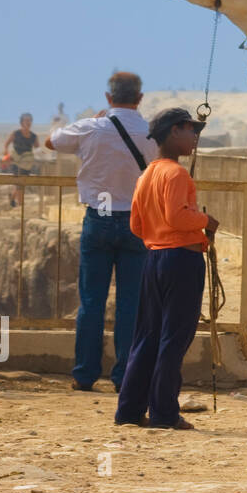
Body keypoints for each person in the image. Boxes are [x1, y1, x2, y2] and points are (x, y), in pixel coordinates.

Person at [47, 71, 157, 392]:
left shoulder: (92, 127)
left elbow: (51, 141)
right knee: (131, 303)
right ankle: (125, 375)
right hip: (136, 221)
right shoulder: (151, 132)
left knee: (91, 300)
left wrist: (94, 121)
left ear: (109, 98)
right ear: (140, 98)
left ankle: (84, 373)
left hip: (99, 218)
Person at [115, 108, 217, 429]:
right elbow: (177, 217)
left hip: (155, 259)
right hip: (182, 261)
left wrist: (159, 236)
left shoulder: (146, 175)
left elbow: (136, 225)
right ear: (175, 131)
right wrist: (206, 221)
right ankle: (164, 413)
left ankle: (130, 410)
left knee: (147, 335)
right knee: (174, 338)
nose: (195, 137)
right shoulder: (176, 174)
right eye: (191, 130)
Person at [2, 113, 38, 207]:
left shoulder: (33, 136)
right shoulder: (16, 133)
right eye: (26, 120)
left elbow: (38, 148)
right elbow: (6, 144)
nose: (28, 122)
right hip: (16, 162)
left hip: (27, 163)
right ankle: (21, 205)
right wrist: (6, 154)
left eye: (29, 120)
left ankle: (12, 197)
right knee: (19, 183)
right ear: (22, 122)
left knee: (22, 184)